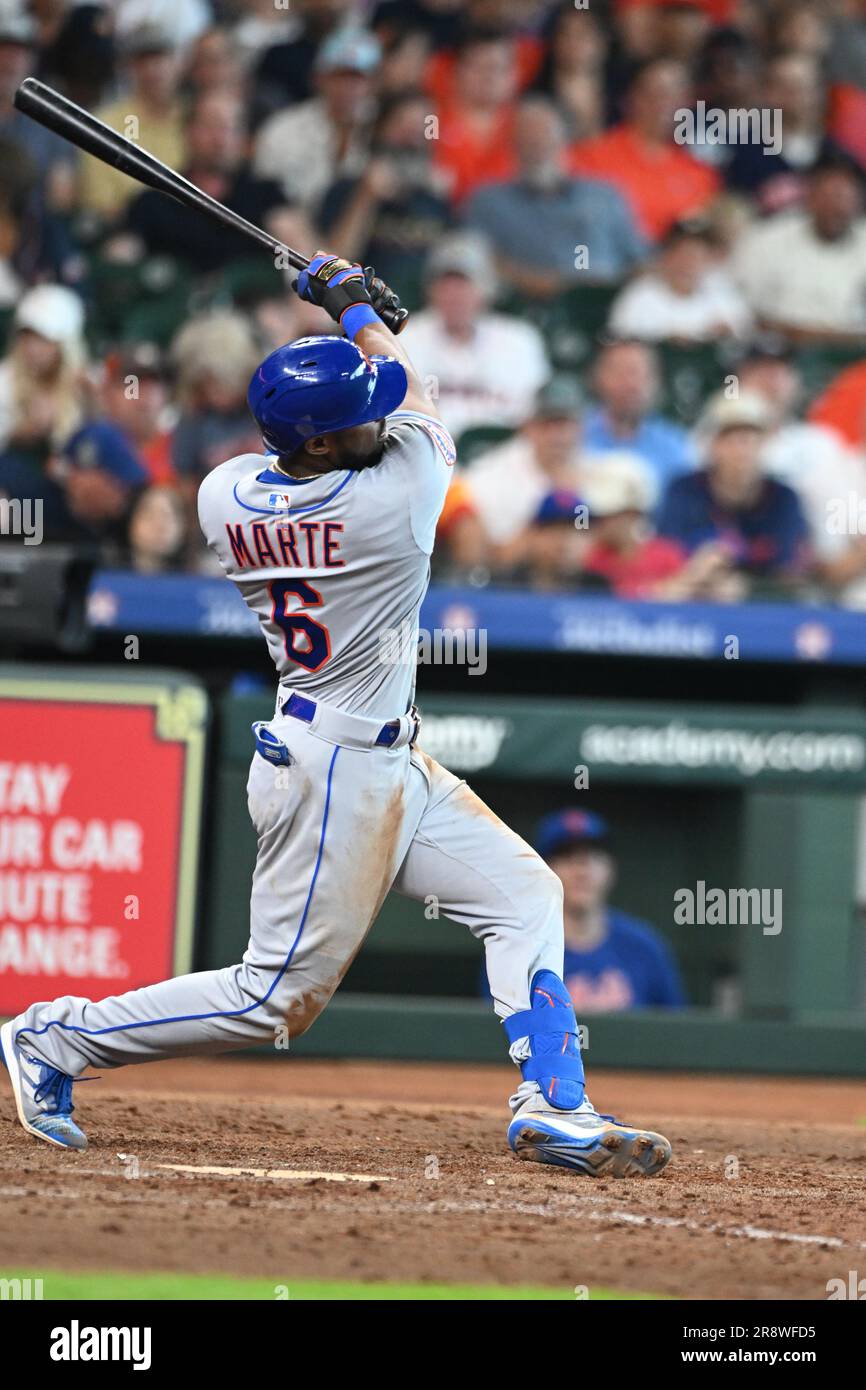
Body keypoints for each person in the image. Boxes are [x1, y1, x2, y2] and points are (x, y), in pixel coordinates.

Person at [0, 248, 671, 1179]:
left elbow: (385, 399)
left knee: (526, 894)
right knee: (271, 998)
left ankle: (554, 1104)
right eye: (350, 418)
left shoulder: (222, 493)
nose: (370, 419)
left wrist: (356, 333)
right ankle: (52, 1037)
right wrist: (354, 305)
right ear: (315, 442)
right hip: (333, 771)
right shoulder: (395, 505)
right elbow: (422, 404)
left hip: (381, 754)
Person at [497, 810, 686, 1012]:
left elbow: (677, 1033)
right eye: (567, 856)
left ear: (611, 869)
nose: (582, 870)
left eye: (594, 856)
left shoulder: (644, 948)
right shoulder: (517, 952)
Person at [464, 96, 646, 296]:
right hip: (526, 307)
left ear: (565, 140)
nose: (537, 144)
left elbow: (639, 259)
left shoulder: (606, 196)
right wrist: (533, 281)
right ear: (512, 144)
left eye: (545, 134)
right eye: (527, 137)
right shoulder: (489, 202)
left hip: (606, 302)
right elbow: (472, 260)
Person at [657, 391, 812, 591]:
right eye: (731, 439)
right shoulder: (683, 490)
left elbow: (789, 569)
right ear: (712, 444)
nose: (742, 449)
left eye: (751, 439)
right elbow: (663, 556)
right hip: (691, 595)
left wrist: (739, 578)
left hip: (761, 606)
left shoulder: (784, 498)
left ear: (765, 444)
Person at [401, 231, 549, 439]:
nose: (454, 295)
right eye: (445, 285)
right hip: (429, 453)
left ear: (488, 289)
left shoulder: (520, 338)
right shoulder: (404, 337)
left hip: (501, 459)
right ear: (430, 290)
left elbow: (531, 415)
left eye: (464, 285)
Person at [121, 93, 286, 274]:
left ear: (244, 138)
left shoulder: (264, 194)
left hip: (248, 299)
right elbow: (123, 252)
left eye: (232, 128)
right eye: (212, 126)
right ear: (188, 131)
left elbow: (296, 245)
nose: (220, 139)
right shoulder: (156, 199)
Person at [567, 57, 720, 241]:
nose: (664, 104)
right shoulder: (590, 156)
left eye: (674, 95)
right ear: (631, 98)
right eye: (655, 93)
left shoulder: (700, 173)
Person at [731, 153, 866, 343]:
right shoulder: (768, 238)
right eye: (826, 196)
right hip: (777, 350)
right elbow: (740, 308)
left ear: (858, 203)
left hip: (852, 354)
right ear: (810, 197)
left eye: (844, 198)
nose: (834, 207)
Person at [253, 26, 380, 211]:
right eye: (339, 76)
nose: (348, 87)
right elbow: (266, 196)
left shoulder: (385, 127)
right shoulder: (283, 129)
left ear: (374, 83)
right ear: (319, 78)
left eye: (357, 78)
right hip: (289, 229)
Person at [77, 23, 186, 222]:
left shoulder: (194, 116)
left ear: (177, 62)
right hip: (126, 229)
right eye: (143, 61)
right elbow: (99, 203)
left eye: (161, 58)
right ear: (129, 67)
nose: (154, 69)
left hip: (191, 226)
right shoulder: (106, 123)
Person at [607, 217, 751, 343]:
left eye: (698, 254)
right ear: (666, 255)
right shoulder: (639, 296)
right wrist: (664, 342)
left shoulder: (724, 295)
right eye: (682, 252)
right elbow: (619, 348)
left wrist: (728, 336)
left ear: (710, 259)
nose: (688, 262)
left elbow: (745, 343)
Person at [583, 338, 695, 491]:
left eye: (639, 374)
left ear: (657, 381)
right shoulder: (574, 436)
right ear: (597, 378)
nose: (631, 384)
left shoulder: (675, 446)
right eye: (621, 373)